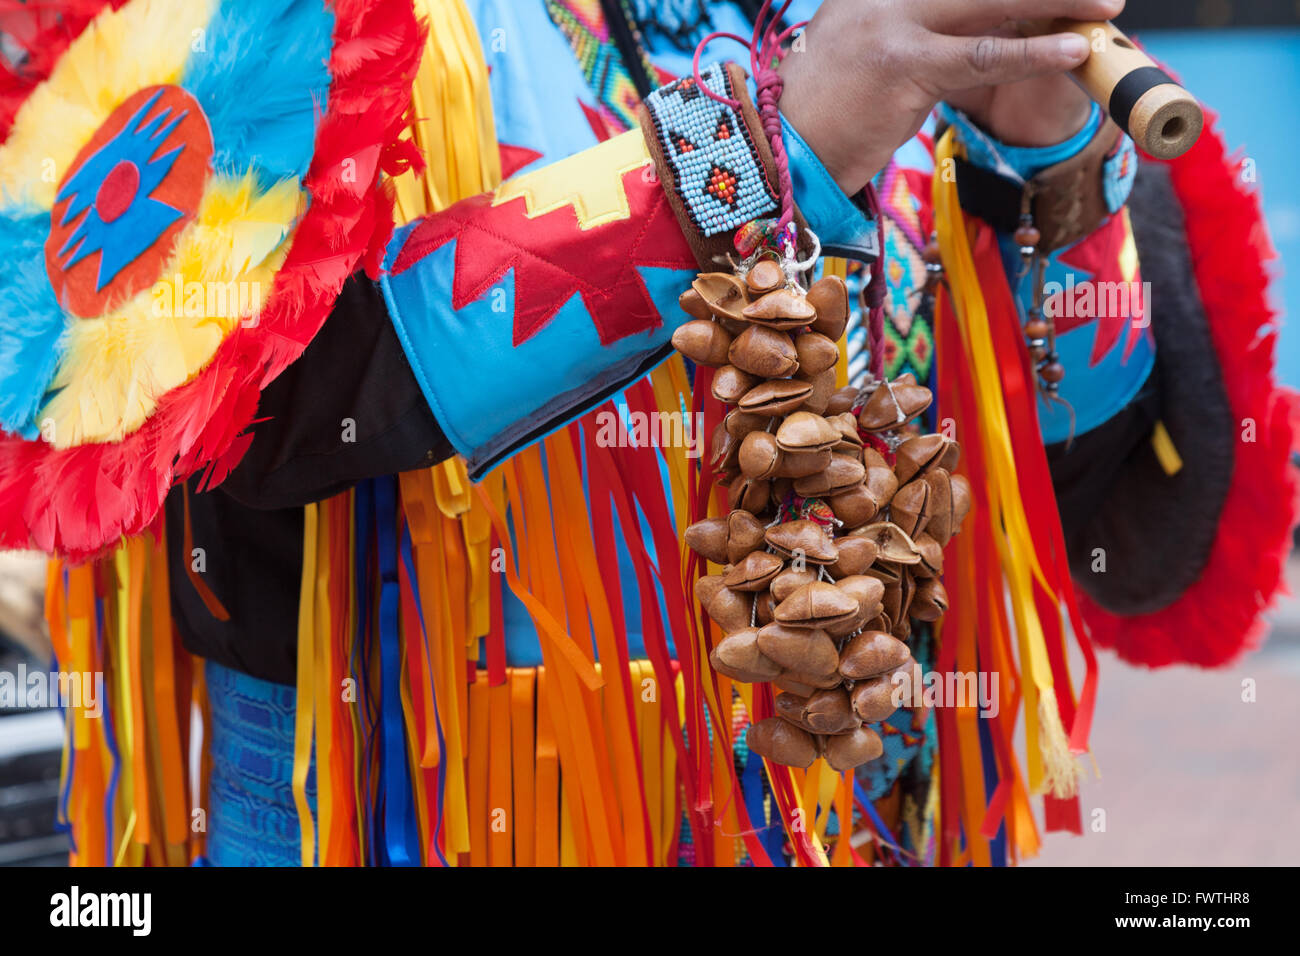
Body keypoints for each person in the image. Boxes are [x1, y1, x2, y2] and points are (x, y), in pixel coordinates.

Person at [1, 0, 1290, 866]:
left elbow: (1067, 485)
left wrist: (1044, 153)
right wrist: (765, 151)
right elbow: (228, 418)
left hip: (867, 809)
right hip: (452, 812)